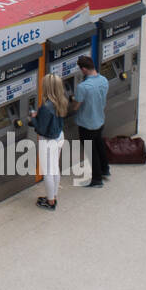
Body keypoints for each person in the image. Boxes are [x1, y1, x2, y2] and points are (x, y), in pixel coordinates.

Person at [68, 56, 109, 187]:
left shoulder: (83, 87)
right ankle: (105, 169)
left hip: (87, 123)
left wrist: (71, 102)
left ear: (84, 69)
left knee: (91, 151)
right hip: (99, 119)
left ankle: (97, 179)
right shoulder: (104, 80)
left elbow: (76, 106)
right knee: (99, 145)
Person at [31, 73, 69, 210]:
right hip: (59, 137)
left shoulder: (46, 107)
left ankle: (50, 201)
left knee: (47, 171)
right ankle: (54, 195)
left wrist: (33, 118)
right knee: (55, 168)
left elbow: (40, 128)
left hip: (48, 141)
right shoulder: (62, 100)